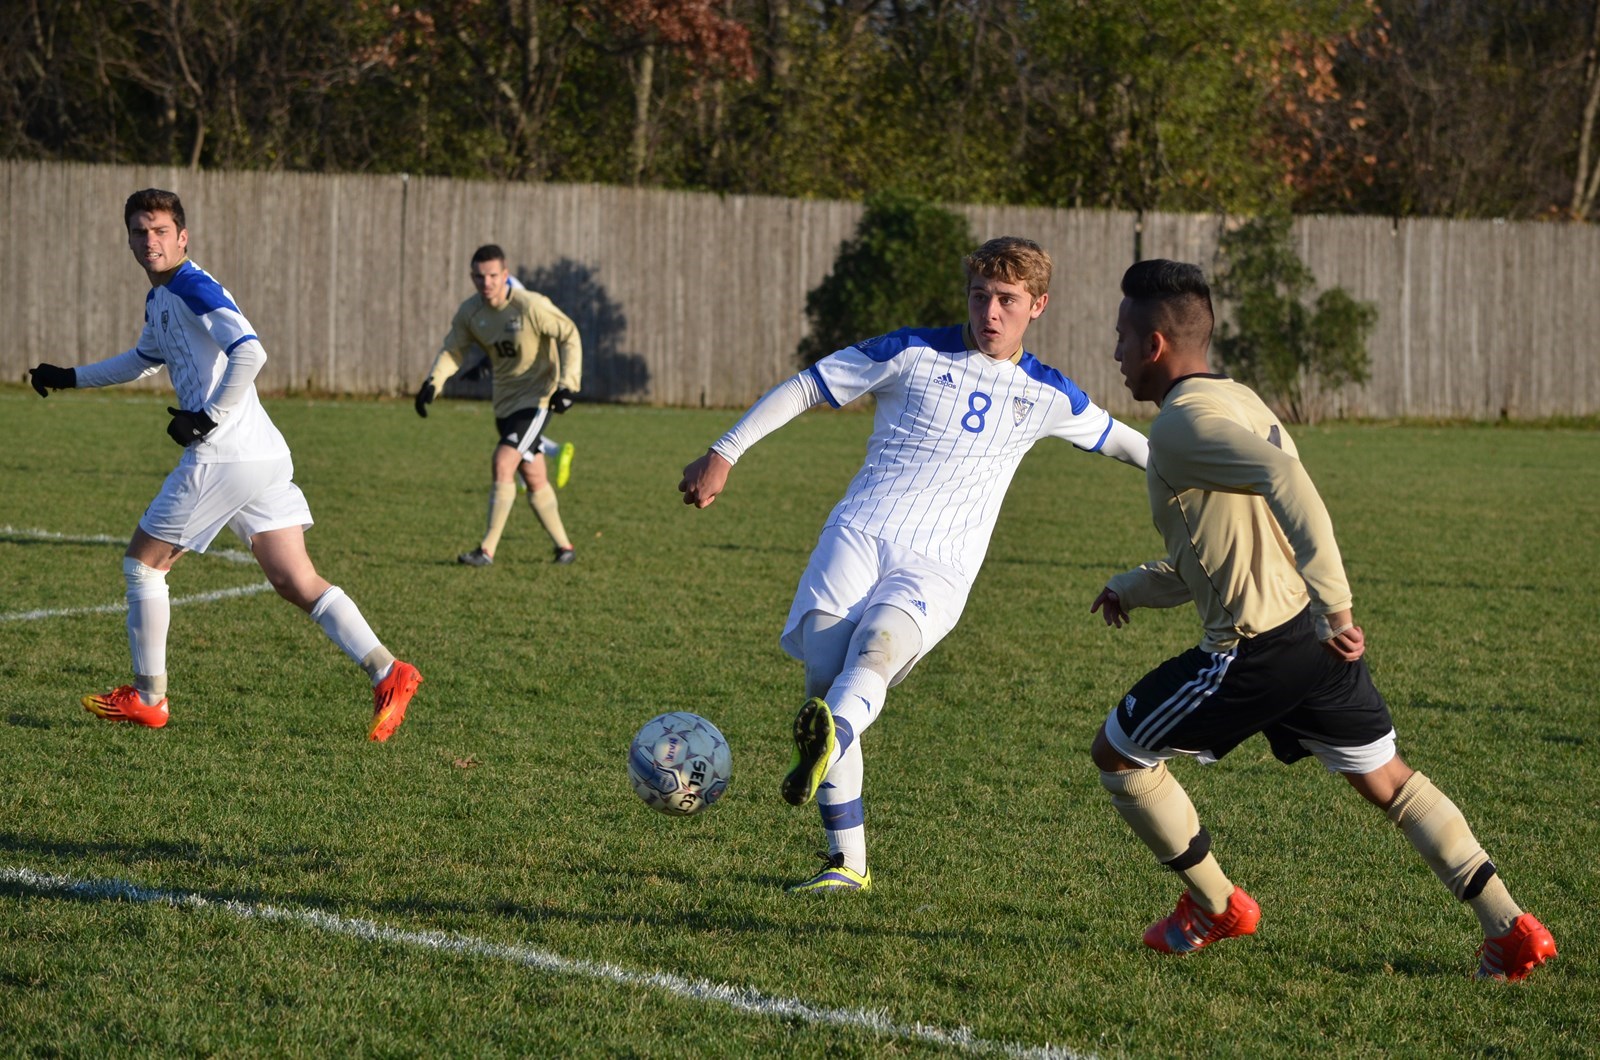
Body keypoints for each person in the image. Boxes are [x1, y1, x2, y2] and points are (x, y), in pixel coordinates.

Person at [1089, 258, 1555, 980]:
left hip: (1254, 649)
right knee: (1389, 781)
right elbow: (1223, 551)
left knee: (1118, 755)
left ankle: (1216, 905)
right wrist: (1131, 587)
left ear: (1154, 344)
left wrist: (1338, 605)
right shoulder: (1241, 400)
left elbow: (1285, 482)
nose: (1114, 351)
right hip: (1309, 639)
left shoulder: (1180, 425)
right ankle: (1511, 927)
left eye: (1121, 336)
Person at [679, 236, 1149, 893]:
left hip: (940, 564)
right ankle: (847, 862)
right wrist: (725, 451)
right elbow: (809, 386)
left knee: (875, 653)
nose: (990, 312)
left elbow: (1128, 444)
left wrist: (1204, 476)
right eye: (980, 296)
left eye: (1007, 300)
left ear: (1038, 306)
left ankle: (834, 753)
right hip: (857, 535)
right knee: (825, 685)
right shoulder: (910, 351)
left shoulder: (1047, 393)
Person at [27, 188, 421, 741]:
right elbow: (142, 360)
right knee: (295, 579)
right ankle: (389, 670)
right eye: (140, 231)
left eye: (160, 230)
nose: (150, 240)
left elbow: (251, 351)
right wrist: (70, 377)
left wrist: (207, 418)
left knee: (144, 566)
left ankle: (148, 697)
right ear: (129, 239)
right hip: (260, 454)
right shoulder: (160, 297)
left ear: (182, 237)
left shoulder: (193, 285)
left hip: (226, 455)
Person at [414, 245, 582, 565]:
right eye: (479, 276)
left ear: (505, 275)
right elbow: (453, 350)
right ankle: (565, 548)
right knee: (534, 476)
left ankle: (486, 550)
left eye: (493, 275)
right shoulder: (471, 312)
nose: (486, 282)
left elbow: (569, 333)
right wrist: (433, 383)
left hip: (537, 399)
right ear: (472, 277)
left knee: (503, 462)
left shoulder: (529, 305)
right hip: (504, 404)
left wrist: (568, 385)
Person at [461, 272, 577, 491]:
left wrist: (485, 365)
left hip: (529, 379)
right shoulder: (499, 291)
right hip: (517, 377)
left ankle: (535, 468)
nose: (485, 282)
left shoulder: (514, 294)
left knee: (513, 435)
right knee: (513, 429)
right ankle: (543, 463)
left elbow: (519, 332)